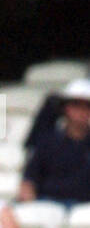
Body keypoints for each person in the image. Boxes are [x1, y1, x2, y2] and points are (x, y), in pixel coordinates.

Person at [19, 78, 90, 206]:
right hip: (47, 205)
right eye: (76, 105)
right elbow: (29, 181)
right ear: (66, 108)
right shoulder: (47, 141)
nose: (81, 111)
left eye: (87, 106)